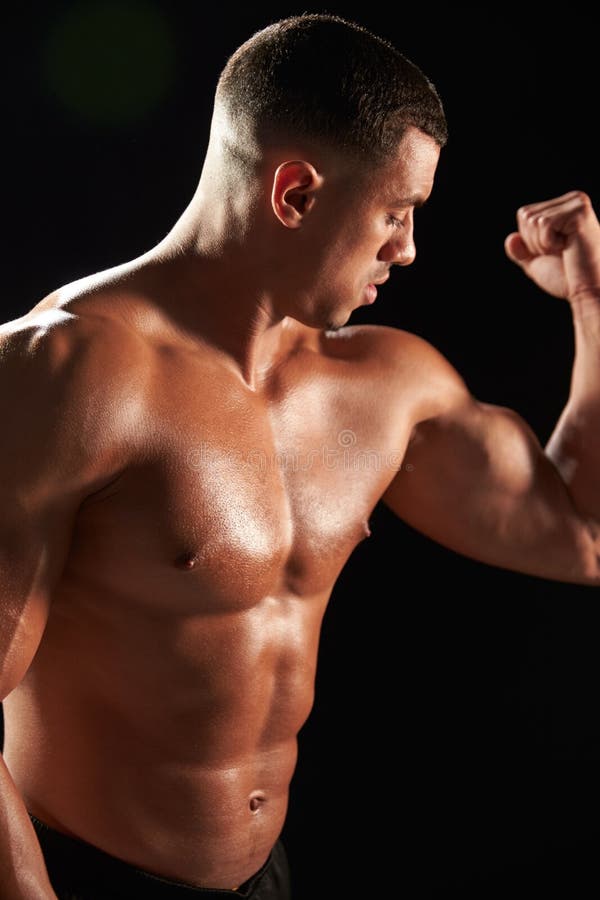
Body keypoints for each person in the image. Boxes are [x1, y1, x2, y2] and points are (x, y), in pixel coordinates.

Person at [1, 11, 599, 899]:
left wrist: (593, 300)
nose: (408, 248)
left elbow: (582, 537)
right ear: (295, 194)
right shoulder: (68, 371)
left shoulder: (385, 385)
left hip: (268, 878)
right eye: (395, 213)